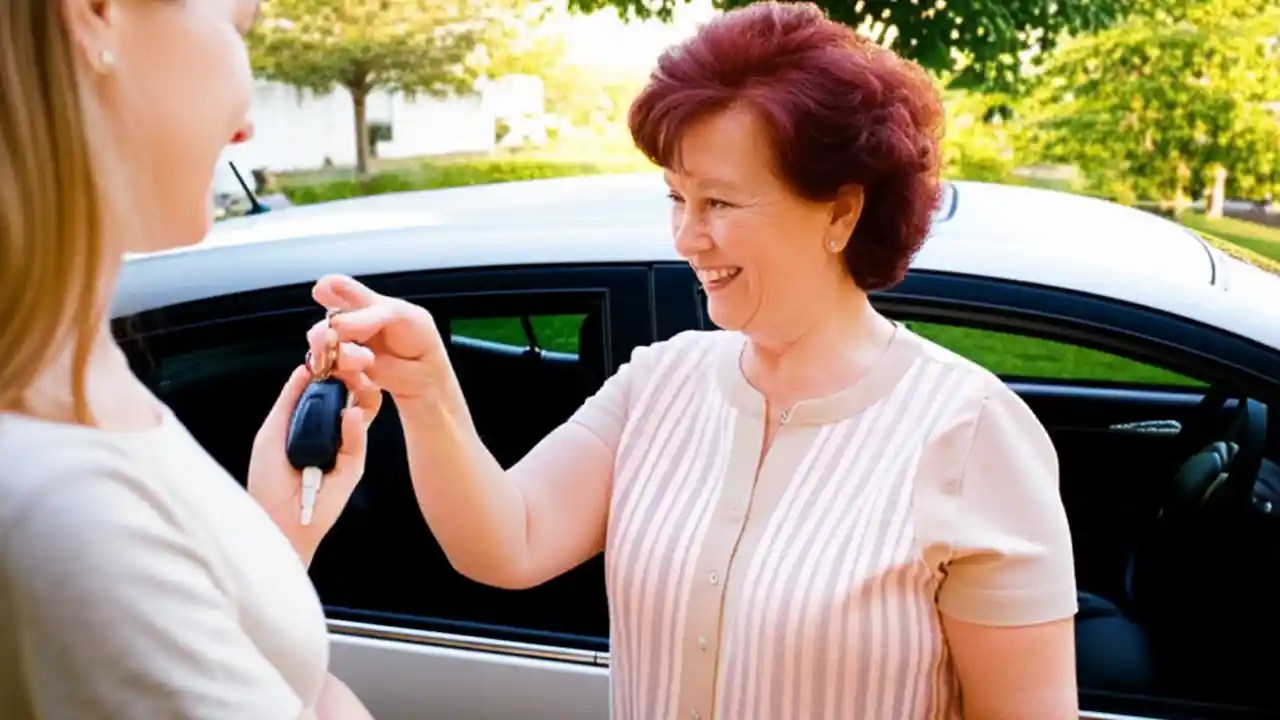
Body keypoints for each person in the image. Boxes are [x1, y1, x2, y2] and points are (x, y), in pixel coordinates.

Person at [308, 2, 1079, 718]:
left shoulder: (971, 433)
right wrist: (425, 391)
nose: (686, 238)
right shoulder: (659, 382)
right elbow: (507, 541)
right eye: (677, 198)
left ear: (841, 211)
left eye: (719, 203)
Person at [0, 1, 381, 718]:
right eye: (239, 28)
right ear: (96, 14)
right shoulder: (63, 507)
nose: (247, 125)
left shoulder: (78, 378)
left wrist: (271, 538)